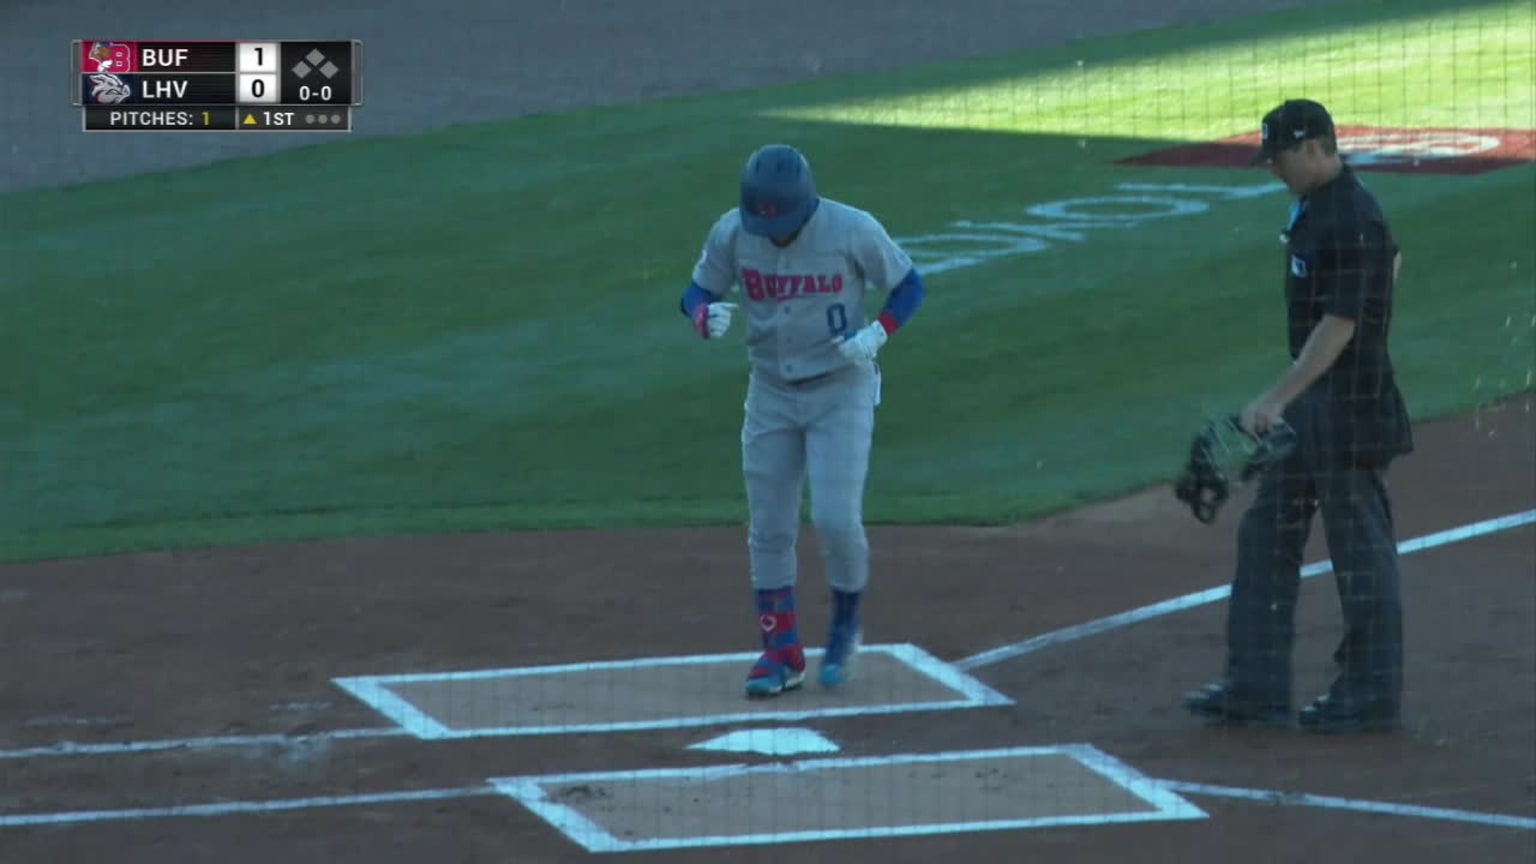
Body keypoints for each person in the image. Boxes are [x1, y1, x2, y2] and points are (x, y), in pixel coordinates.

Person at [1184, 99, 1414, 734]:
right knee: (1265, 538)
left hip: (1350, 407)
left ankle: (1369, 696)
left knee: (1360, 554)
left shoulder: (1353, 215)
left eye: (1279, 157)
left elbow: (1339, 324)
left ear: (1313, 146)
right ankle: (1255, 686)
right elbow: (1386, 272)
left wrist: (1276, 398)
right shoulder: (1320, 210)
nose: (1272, 169)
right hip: (1315, 407)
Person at [678, 144, 925, 698]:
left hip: (841, 388)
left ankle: (844, 626)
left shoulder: (851, 229)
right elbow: (697, 289)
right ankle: (780, 653)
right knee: (768, 525)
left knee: (837, 518)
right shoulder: (733, 234)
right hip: (769, 391)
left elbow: (909, 284)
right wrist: (701, 314)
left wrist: (878, 332)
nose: (774, 232)